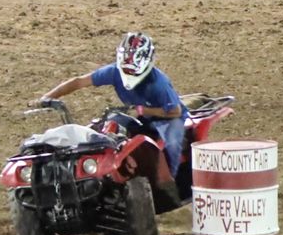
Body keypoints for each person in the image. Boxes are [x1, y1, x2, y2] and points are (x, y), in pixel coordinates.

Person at [35, 32, 187, 175]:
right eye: (126, 68)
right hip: (136, 114)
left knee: (172, 143)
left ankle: (169, 182)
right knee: (107, 129)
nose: (128, 72)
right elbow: (79, 82)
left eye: (132, 70)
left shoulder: (159, 83)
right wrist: (47, 97)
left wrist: (143, 110)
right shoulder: (114, 71)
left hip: (167, 118)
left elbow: (176, 111)